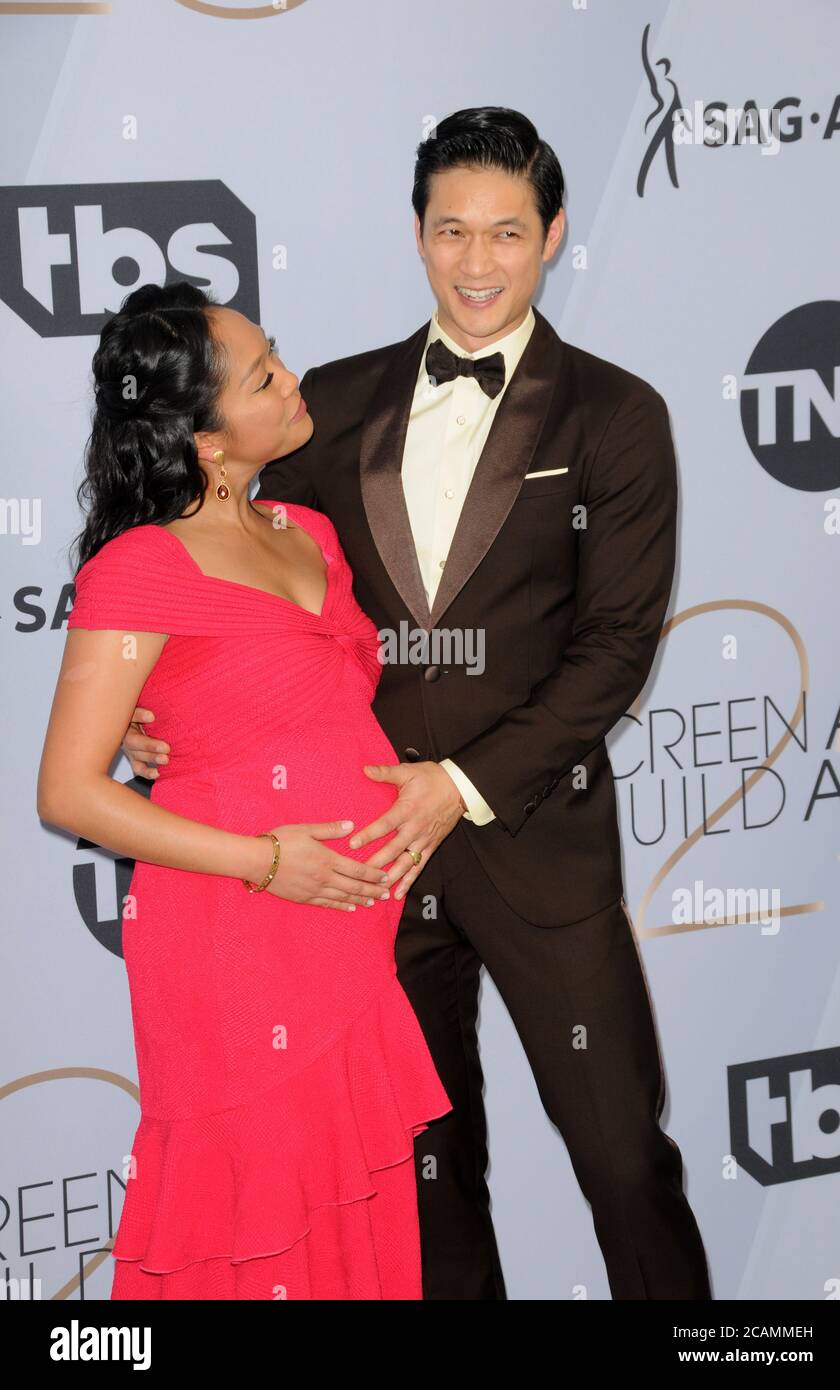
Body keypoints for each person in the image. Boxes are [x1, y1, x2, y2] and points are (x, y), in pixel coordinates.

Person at [122, 107, 712, 1300]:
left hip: (535, 842)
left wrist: (460, 785)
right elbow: (211, 548)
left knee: (620, 1160)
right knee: (424, 1176)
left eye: (506, 232)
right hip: (365, 863)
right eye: (452, 231)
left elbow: (611, 651)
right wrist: (157, 700)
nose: (478, 262)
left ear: (551, 237)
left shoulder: (616, 415)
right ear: (417, 235)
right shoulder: (325, 406)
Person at [37, 280, 452, 1301]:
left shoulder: (308, 530)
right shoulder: (139, 569)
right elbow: (68, 793)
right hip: (233, 937)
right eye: (264, 377)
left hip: (344, 939)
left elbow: (304, 708)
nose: (292, 380)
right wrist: (269, 862)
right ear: (208, 444)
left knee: (347, 1211)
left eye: (278, 355)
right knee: (245, 1226)